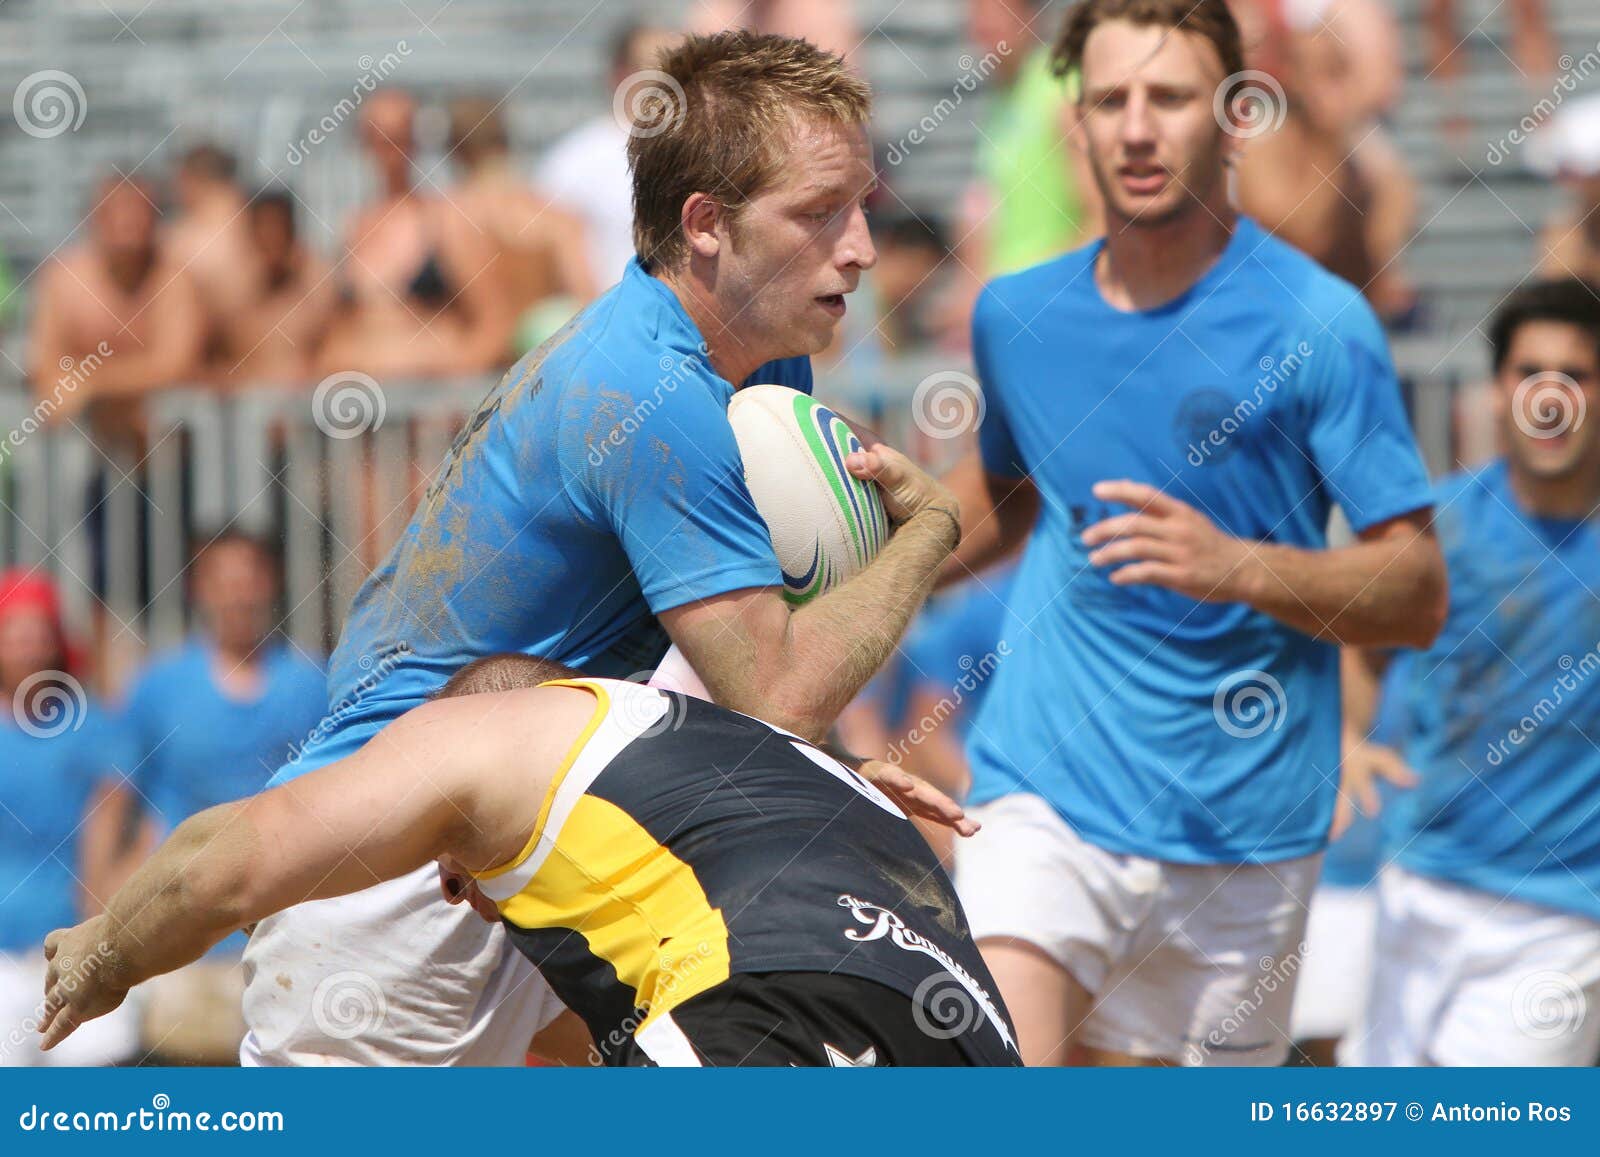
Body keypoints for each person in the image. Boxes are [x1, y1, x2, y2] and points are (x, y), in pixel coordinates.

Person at [237, 31, 963, 1068]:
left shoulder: (759, 365)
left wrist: (833, 772)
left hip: (529, 844)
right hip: (394, 888)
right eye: (817, 212)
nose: (859, 246)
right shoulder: (652, 389)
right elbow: (776, 688)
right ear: (706, 226)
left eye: (862, 205)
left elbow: (728, 666)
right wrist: (929, 532)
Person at [940, 0, 1446, 1067]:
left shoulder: (1317, 322)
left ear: (1232, 117)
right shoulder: (1014, 314)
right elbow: (1010, 495)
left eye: (1167, 98)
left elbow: (1416, 588)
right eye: (1109, 100)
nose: (1135, 127)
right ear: (1074, 124)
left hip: (1242, 829)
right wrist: (866, 556)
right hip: (1045, 790)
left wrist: (1235, 566)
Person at [41, 654, 1018, 1068]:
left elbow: (221, 866)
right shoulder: (743, 752)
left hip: (765, 991)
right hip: (976, 1039)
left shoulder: (478, 742)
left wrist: (106, 950)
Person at [1346, 280, 1600, 1067]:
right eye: (1529, 372)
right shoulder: (1441, 523)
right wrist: (1350, 737)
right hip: (1415, 890)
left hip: (1560, 923)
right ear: (1497, 389)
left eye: (1577, 374)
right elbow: (1358, 639)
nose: (1550, 394)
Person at [120, 532, 327, 1063]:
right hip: (178, 932)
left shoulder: (311, 685)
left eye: (249, 580)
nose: (238, 595)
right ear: (200, 590)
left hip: (286, 933)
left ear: (271, 585)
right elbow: (119, 805)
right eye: (224, 582)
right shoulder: (159, 687)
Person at [0, 570, 141, 1067]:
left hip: (72, 946)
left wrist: (96, 905)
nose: (27, 646)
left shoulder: (88, 723)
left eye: (38, 632)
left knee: (96, 1059)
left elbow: (111, 811)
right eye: (14, 633)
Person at [316, 89, 513, 380]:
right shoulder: (353, 229)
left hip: (429, 403)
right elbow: (334, 326)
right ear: (363, 142)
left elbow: (496, 324)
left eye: (398, 135)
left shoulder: (444, 222)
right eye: (378, 136)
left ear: (414, 140)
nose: (389, 148)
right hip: (364, 408)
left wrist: (450, 390)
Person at [28, 174, 205, 440]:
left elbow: (175, 365)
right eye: (118, 209)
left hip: (164, 453)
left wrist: (90, 383)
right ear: (95, 217)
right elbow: (43, 365)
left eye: (139, 209)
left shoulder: (174, 280)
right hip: (89, 453)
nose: (129, 221)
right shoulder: (63, 279)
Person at [535, 21, 681, 288]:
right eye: (659, 66)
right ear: (621, 75)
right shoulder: (573, 161)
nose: (674, 80)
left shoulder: (704, 152)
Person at [445, 97, 597, 352]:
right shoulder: (557, 215)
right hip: (542, 369)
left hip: (478, 374)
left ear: (455, 152)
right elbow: (588, 305)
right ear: (505, 142)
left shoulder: (455, 214)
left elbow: (489, 326)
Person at [215, 190, 334, 386]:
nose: (271, 238)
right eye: (263, 230)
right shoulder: (230, 296)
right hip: (249, 397)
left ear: (291, 233)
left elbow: (332, 349)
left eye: (277, 229)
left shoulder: (318, 286)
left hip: (304, 396)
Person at [165, 143, 264, 368]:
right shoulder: (263, 227)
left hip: (203, 366)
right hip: (268, 365)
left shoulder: (180, 241)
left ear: (186, 179)